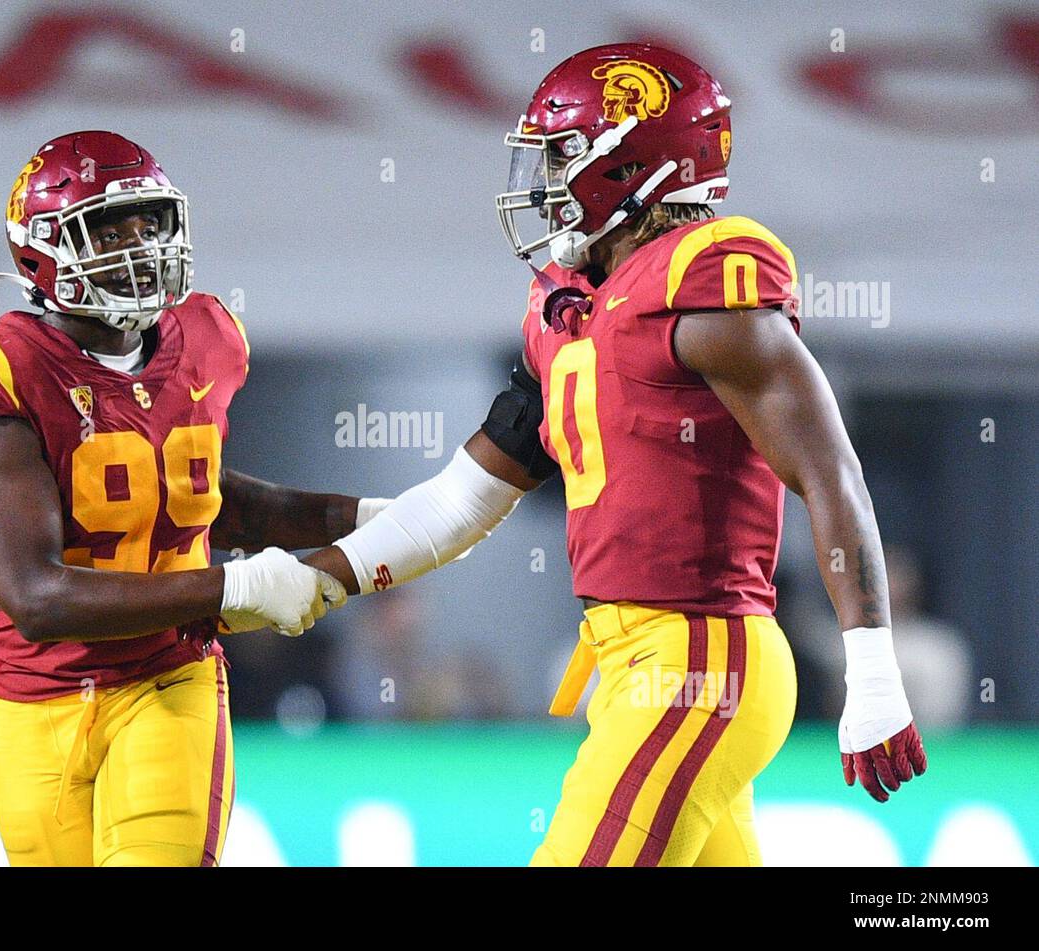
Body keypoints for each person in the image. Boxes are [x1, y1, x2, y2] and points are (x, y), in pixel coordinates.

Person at [306, 44, 927, 866]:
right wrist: (294, 581)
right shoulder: (576, 308)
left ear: (633, 162)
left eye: (564, 154)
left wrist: (873, 666)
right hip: (634, 660)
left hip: (701, 659)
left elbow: (829, 472)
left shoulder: (707, 284)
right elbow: (460, 501)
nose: (547, 181)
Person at [0, 130, 372, 866]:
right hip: (34, 700)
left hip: (167, 678)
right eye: (108, 228)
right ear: (41, 249)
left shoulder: (206, 337)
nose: (139, 246)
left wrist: (353, 519)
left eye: (149, 223)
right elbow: (37, 597)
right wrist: (238, 585)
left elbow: (196, 496)